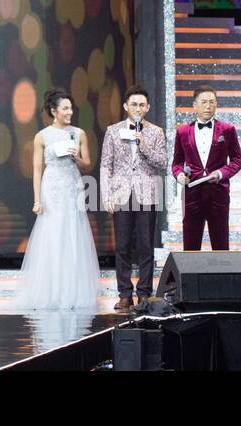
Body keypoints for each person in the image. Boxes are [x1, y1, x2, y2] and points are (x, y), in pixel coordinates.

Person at [13, 89, 100, 309]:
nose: (70, 112)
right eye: (65, 108)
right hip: (51, 189)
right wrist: (37, 200)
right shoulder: (41, 136)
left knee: (73, 236)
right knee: (52, 237)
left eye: (71, 108)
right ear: (54, 111)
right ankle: (50, 292)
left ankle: (73, 292)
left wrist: (76, 157)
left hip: (73, 187)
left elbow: (88, 163)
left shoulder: (79, 133)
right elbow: (36, 170)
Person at [100, 85, 168, 311]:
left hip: (147, 193)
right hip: (121, 193)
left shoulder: (156, 132)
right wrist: (106, 195)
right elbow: (105, 165)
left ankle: (145, 293)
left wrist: (143, 143)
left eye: (142, 105)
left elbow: (162, 162)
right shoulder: (113, 130)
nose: (138, 108)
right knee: (122, 246)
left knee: (146, 246)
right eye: (134, 104)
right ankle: (125, 294)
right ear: (125, 106)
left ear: (147, 108)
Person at [172, 87, 241, 253]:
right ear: (194, 105)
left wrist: (221, 173)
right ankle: (189, 279)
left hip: (219, 194)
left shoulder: (227, 130)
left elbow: (237, 160)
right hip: (191, 195)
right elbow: (176, 163)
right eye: (203, 102)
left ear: (216, 105)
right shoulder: (182, 132)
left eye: (212, 102)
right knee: (190, 246)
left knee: (220, 245)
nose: (208, 106)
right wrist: (180, 176)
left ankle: (221, 279)